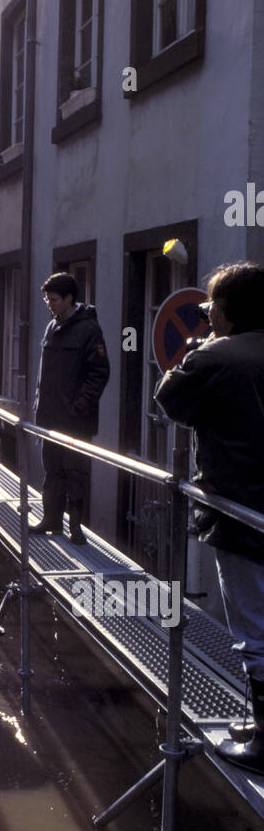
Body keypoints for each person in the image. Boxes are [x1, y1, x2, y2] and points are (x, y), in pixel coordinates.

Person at [154, 262, 264, 773]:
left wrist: (194, 350)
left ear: (224, 310)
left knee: (253, 626)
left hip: (241, 510)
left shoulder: (216, 357)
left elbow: (170, 400)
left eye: (213, 306)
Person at [30, 273, 110, 545]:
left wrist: (78, 408)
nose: (48, 304)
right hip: (50, 416)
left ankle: (75, 528)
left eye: (53, 299)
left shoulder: (89, 330)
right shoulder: (52, 327)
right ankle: (51, 520)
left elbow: (99, 373)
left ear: (68, 299)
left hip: (75, 420)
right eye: (46, 299)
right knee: (52, 471)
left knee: (75, 473)